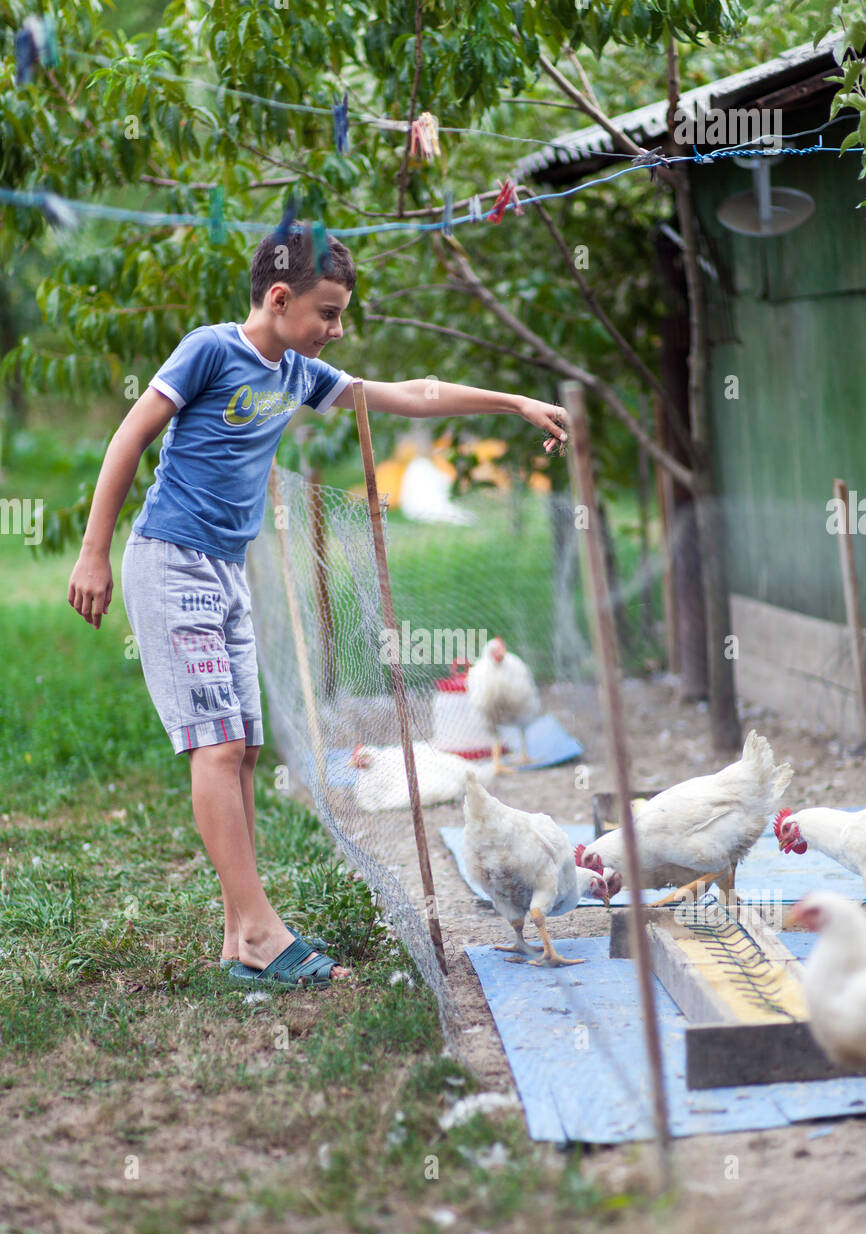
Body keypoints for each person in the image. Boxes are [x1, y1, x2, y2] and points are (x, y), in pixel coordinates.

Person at [67, 228, 570, 988]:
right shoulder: (209, 350)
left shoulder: (297, 373)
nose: (336, 330)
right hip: (170, 562)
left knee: (243, 749)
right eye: (327, 313)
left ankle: (243, 934)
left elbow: (414, 395)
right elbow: (131, 436)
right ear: (279, 298)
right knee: (216, 747)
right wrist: (93, 550)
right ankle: (263, 930)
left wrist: (513, 401)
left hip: (227, 573)